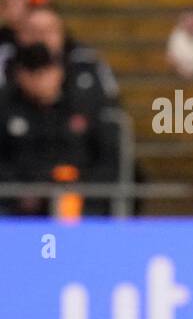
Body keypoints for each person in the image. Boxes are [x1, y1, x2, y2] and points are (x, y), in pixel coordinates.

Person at [0, 40, 119, 215]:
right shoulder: (6, 109)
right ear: (19, 75)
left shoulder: (84, 107)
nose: (40, 79)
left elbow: (108, 158)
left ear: (59, 71)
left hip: (80, 201)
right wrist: (19, 190)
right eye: (32, 72)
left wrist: (85, 189)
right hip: (18, 204)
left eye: (46, 70)